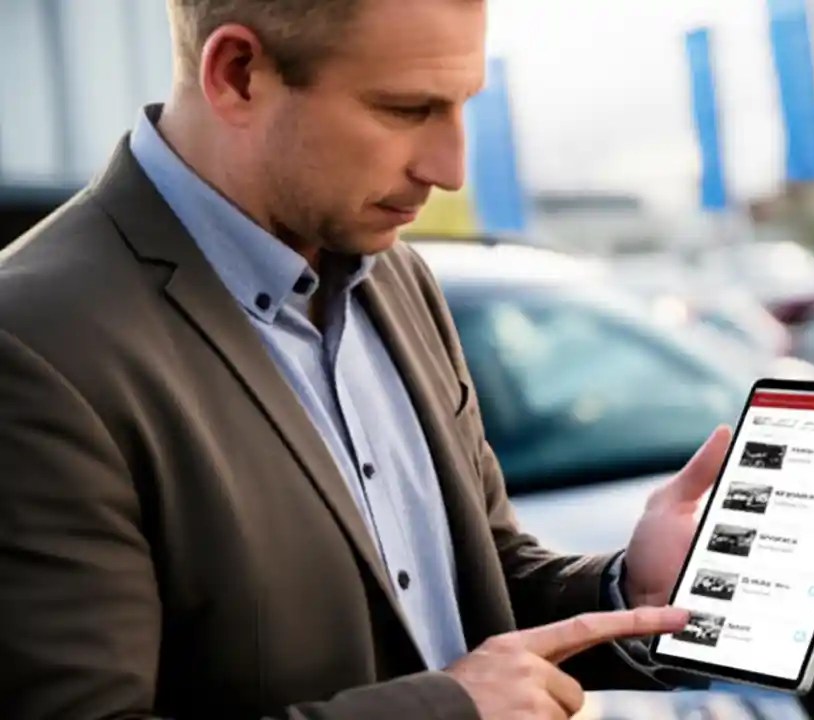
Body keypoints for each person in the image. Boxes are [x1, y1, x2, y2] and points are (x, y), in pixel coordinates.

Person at [0, 1, 733, 718]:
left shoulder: (396, 274)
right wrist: (445, 710)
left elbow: (476, 586)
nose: (451, 169)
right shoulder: (33, 345)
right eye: (406, 109)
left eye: (462, 104)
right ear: (238, 73)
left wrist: (628, 594)